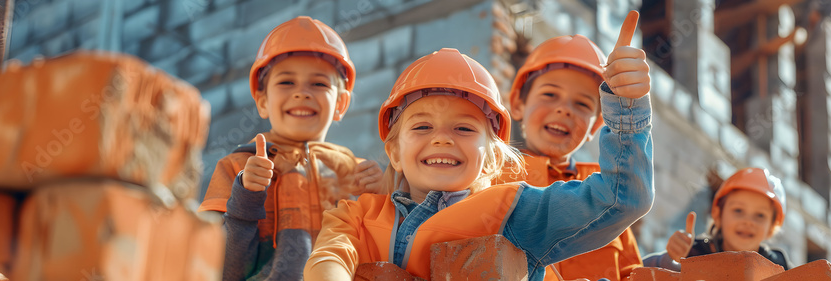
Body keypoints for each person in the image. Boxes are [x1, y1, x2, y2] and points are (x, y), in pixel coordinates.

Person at [304, 11, 654, 281]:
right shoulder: (355, 216)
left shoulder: (514, 211)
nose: (442, 138)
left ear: (492, 160)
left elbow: (623, 198)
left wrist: (626, 107)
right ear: (394, 152)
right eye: (423, 126)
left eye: (464, 128)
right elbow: (329, 257)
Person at [197, 16, 385, 280]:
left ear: (341, 104)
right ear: (262, 101)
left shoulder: (355, 173)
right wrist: (246, 197)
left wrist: (381, 197)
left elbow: (383, 252)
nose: (301, 93)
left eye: (318, 83)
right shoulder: (238, 167)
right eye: (286, 82)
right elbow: (218, 267)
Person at [497, 34, 644, 281]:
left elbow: (631, 273)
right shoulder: (492, 178)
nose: (564, 109)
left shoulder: (609, 192)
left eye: (582, 104)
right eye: (550, 95)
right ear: (518, 104)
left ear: (595, 126)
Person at [642, 168, 792, 271]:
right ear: (718, 215)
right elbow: (639, 271)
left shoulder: (779, 267)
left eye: (760, 215)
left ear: (772, 227)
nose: (748, 221)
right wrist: (670, 259)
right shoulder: (694, 253)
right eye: (738, 210)